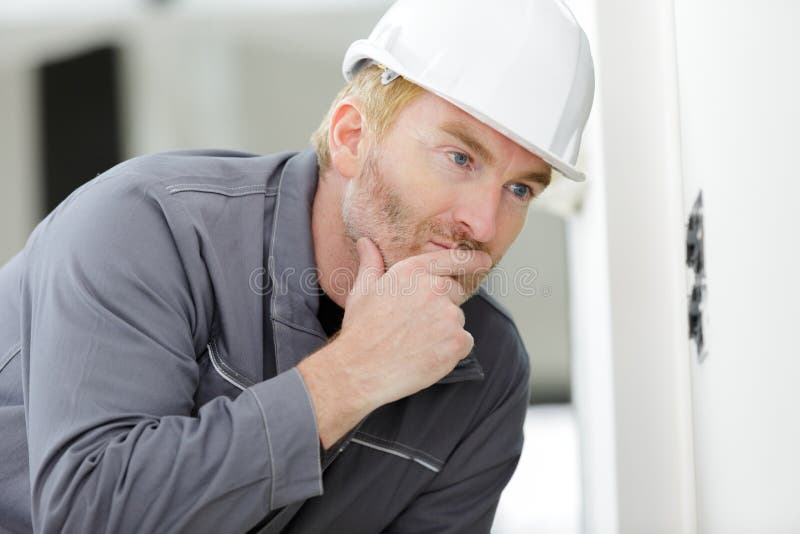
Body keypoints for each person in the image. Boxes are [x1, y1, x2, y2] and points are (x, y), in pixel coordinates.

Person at [0, 0, 594, 532]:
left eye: (520, 190)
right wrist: (353, 375)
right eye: (460, 157)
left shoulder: (484, 368)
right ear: (352, 136)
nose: (484, 225)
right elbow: (89, 513)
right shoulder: (145, 226)